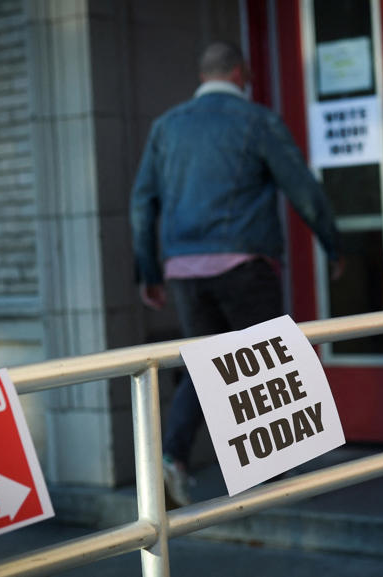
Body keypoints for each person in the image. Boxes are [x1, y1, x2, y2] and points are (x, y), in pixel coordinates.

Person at [130, 41, 342, 507]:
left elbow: (142, 202)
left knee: (209, 364)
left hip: (184, 269)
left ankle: (172, 458)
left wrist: (149, 271)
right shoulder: (257, 120)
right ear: (240, 73)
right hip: (244, 262)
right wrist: (333, 243)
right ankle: (274, 476)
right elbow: (302, 187)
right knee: (262, 361)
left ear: (203, 76)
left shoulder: (167, 127)